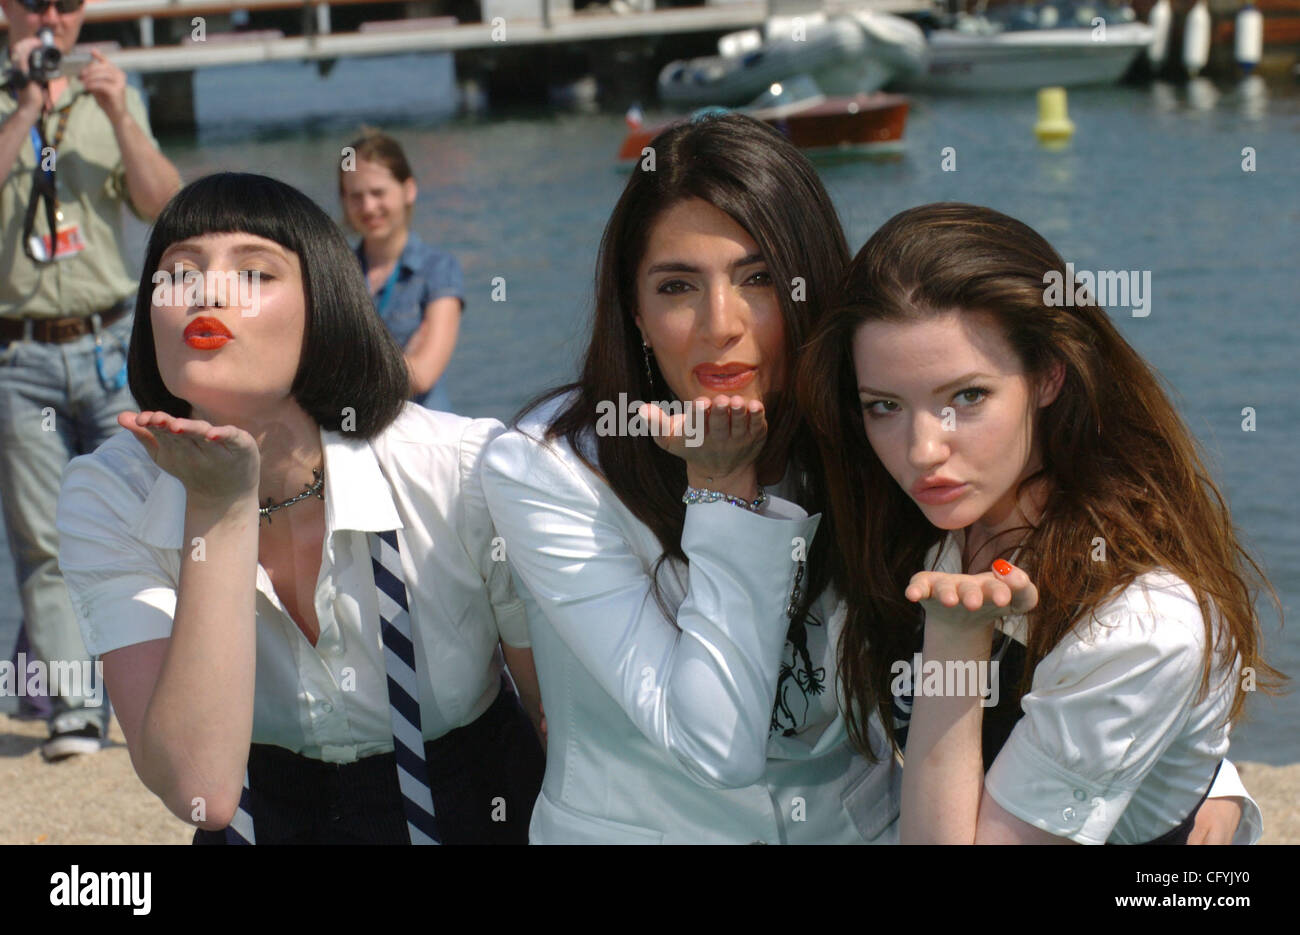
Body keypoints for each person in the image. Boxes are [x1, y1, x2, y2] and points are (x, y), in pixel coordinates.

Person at [55, 173, 544, 844]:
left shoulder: (465, 469)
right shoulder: (108, 492)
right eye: (178, 272)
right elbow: (199, 790)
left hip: (480, 810)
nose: (208, 290)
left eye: (254, 271)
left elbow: (560, 726)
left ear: (328, 305)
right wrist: (219, 509)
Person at [798, 202, 1280, 844]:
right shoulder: (908, 514)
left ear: (1050, 374)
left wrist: (955, 642)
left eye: (966, 397)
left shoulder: (1137, 624)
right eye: (884, 405)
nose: (921, 451)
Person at [480, 113, 896, 844]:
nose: (720, 323)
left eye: (759, 278)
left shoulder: (873, 428)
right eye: (677, 287)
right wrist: (721, 485)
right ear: (635, 312)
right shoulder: (550, 468)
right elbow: (716, 745)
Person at [0, 0, 181, 759]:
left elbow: (165, 205)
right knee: (43, 540)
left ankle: (154, 698)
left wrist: (119, 113)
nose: (51, 17)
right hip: (22, 351)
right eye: (33, 1)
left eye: (67, 3)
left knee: (144, 524)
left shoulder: (116, 89)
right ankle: (75, 707)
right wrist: (24, 109)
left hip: (110, 339)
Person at [338, 130, 462, 412]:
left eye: (378, 193)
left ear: (409, 190)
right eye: (356, 196)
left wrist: (347, 369)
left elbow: (425, 374)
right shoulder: (335, 271)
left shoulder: (438, 269)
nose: (368, 207)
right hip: (355, 435)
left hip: (422, 438)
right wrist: (402, 361)